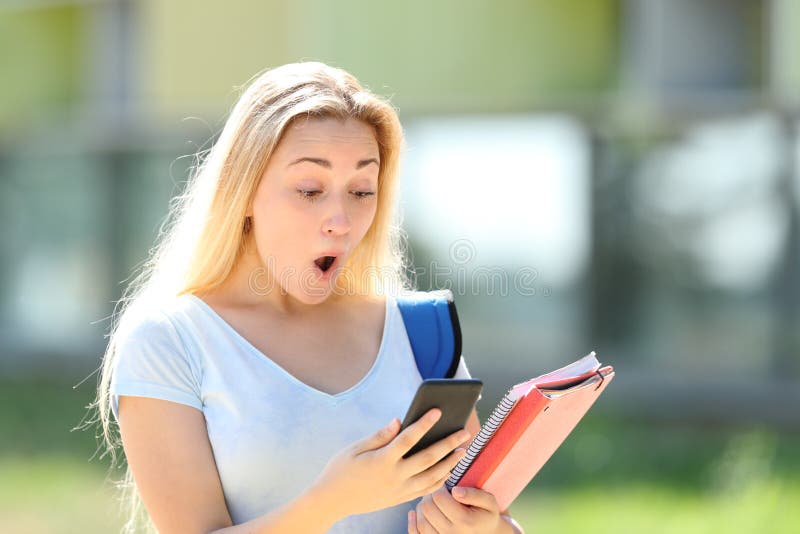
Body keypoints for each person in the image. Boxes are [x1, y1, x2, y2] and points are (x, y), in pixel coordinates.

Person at [93, 61, 525, 533]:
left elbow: (488, 514)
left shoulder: (422, 333)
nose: (339, 219)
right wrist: (332, 502)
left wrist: (491, 528)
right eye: (309, 189)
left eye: (362, 190)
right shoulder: (169, 341)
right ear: (244, 192)